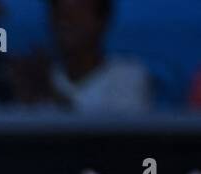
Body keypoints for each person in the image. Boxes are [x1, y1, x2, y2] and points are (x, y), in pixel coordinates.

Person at [11, 0, 152, 111]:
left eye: (77, 15)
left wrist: (52, 94)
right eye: (58, 15)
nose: (65, 23)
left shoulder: (127, 76)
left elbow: (120, 130)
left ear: (102, 21)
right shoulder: (41, 78)